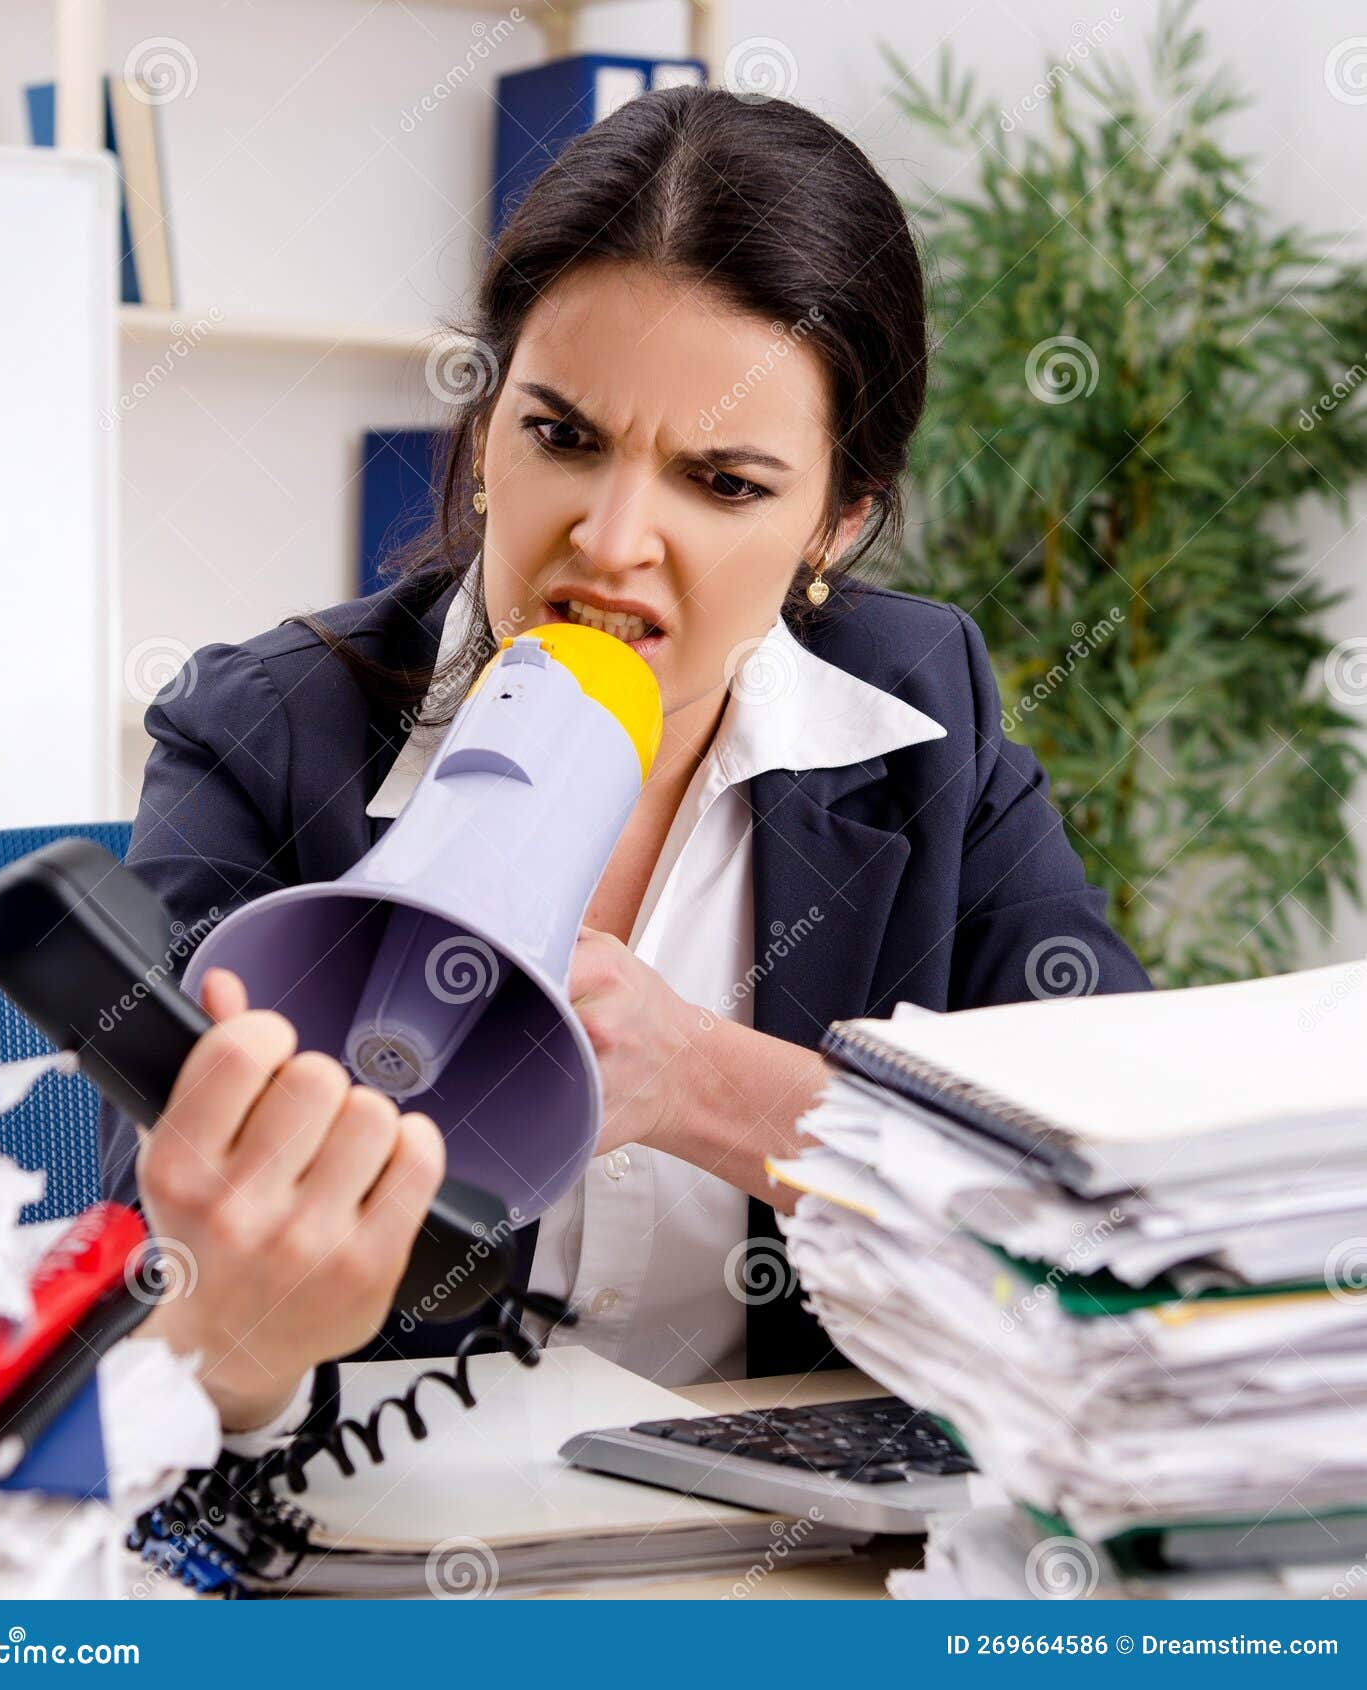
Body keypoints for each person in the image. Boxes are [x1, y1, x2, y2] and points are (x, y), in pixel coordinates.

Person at [113, 85, 1149, 1444]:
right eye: (564, 436)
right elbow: (156, 1307)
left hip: (813, 1548)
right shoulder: (262, 729)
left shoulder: (920, 716)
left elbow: (1122, 1180)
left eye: (723, 484)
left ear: (837, 524)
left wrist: (697, 1080)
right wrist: (246, 1346)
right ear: (486, 429)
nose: (610, 542)